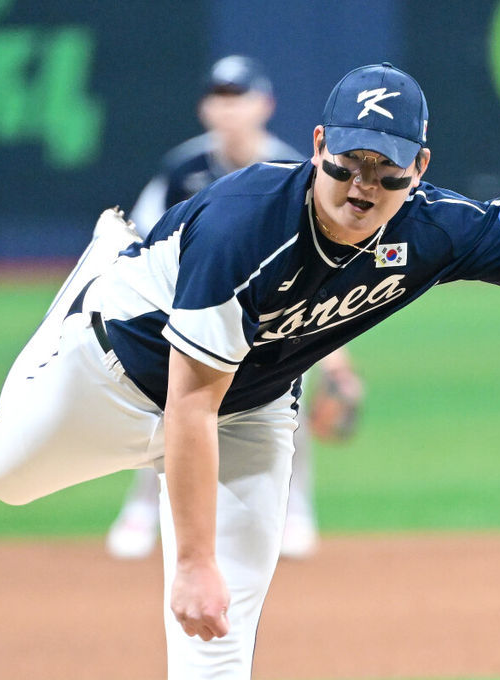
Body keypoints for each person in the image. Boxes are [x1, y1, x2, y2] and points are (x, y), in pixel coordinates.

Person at [0, 62, 500, 680]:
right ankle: (89, 283)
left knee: (216, 646)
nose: (362, 187)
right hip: (113, 372)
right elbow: (188, 404)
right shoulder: (245, 225)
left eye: (388, 172)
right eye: (348, 163)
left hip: (251, 409)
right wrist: (191, 563)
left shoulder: (437, 226)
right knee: (4, 477)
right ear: (318, 146)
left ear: (420, 168)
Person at [105, 55, 359, 561]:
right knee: (162, 406)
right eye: (219, 98)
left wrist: (337, 359)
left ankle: (296, 510)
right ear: (205, 108)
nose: (229, 109)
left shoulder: (294, 169)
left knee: (287, 406)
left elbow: (327, 269)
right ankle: (142, 510)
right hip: (189, 311)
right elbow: (133, 242)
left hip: (272, 317)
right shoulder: (183, 169)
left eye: (239, 97)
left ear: (264, 105)